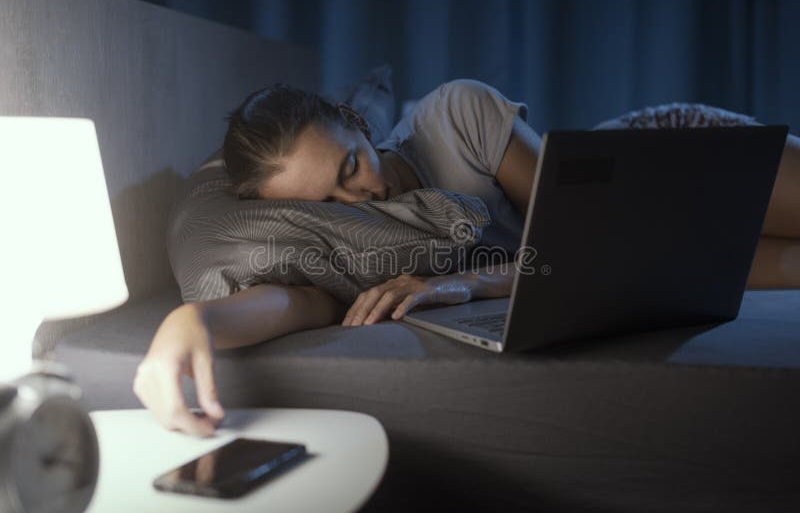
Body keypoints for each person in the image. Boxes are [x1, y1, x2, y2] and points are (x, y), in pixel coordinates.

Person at [133, 79, 800, 436]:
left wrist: (468, 283)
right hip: (660, 256)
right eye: (331, 200)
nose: (361, 192)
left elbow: (597, 239)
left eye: (350, 164)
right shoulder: (360, 245)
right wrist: (192, 325)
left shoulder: (453, 115)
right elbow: (295, 300)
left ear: (357, 123)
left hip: (655, 170)